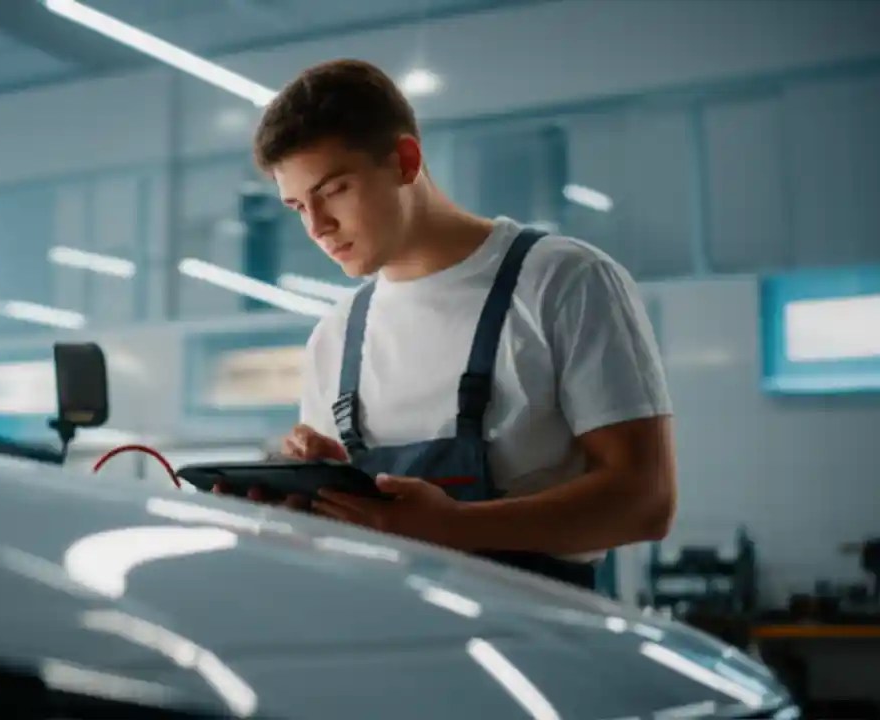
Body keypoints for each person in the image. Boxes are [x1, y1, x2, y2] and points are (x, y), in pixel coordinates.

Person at [224, 59, 677, 590]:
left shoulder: (564, 281)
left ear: (405, 161)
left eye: (334, 190)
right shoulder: (336, 335)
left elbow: (645, 501)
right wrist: (312, 495)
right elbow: (342, 538)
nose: (317, 227)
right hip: (380, 625)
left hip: (534, 630)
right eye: (298, 206)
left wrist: (453, 526)